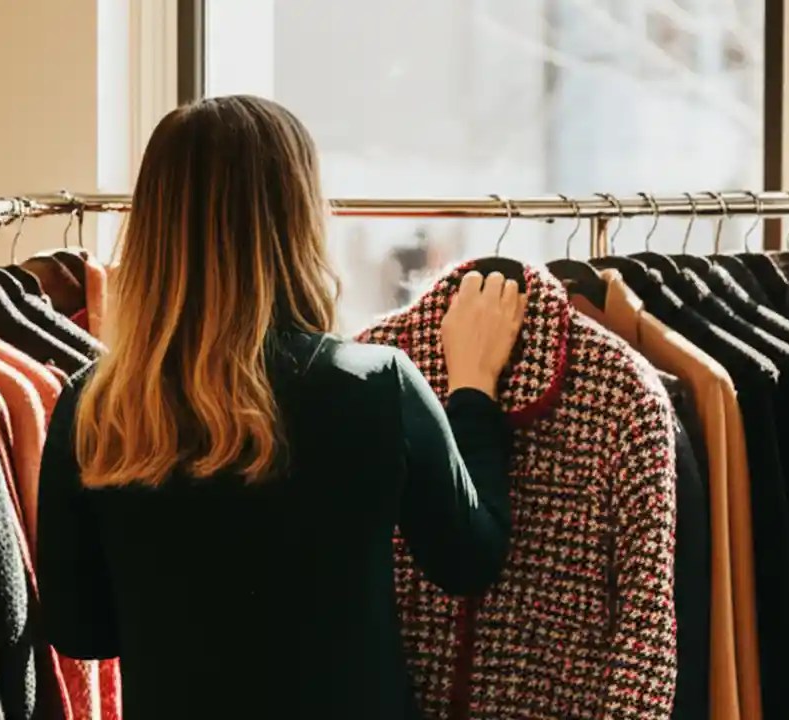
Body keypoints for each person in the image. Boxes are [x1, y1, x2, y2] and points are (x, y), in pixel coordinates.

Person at [36, 95, 524, 720]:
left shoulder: (94, 407)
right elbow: (468, 559)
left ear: (154, 227)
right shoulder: (374, 385)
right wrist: (475, 392)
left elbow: (82, 632)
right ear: (299, 219)